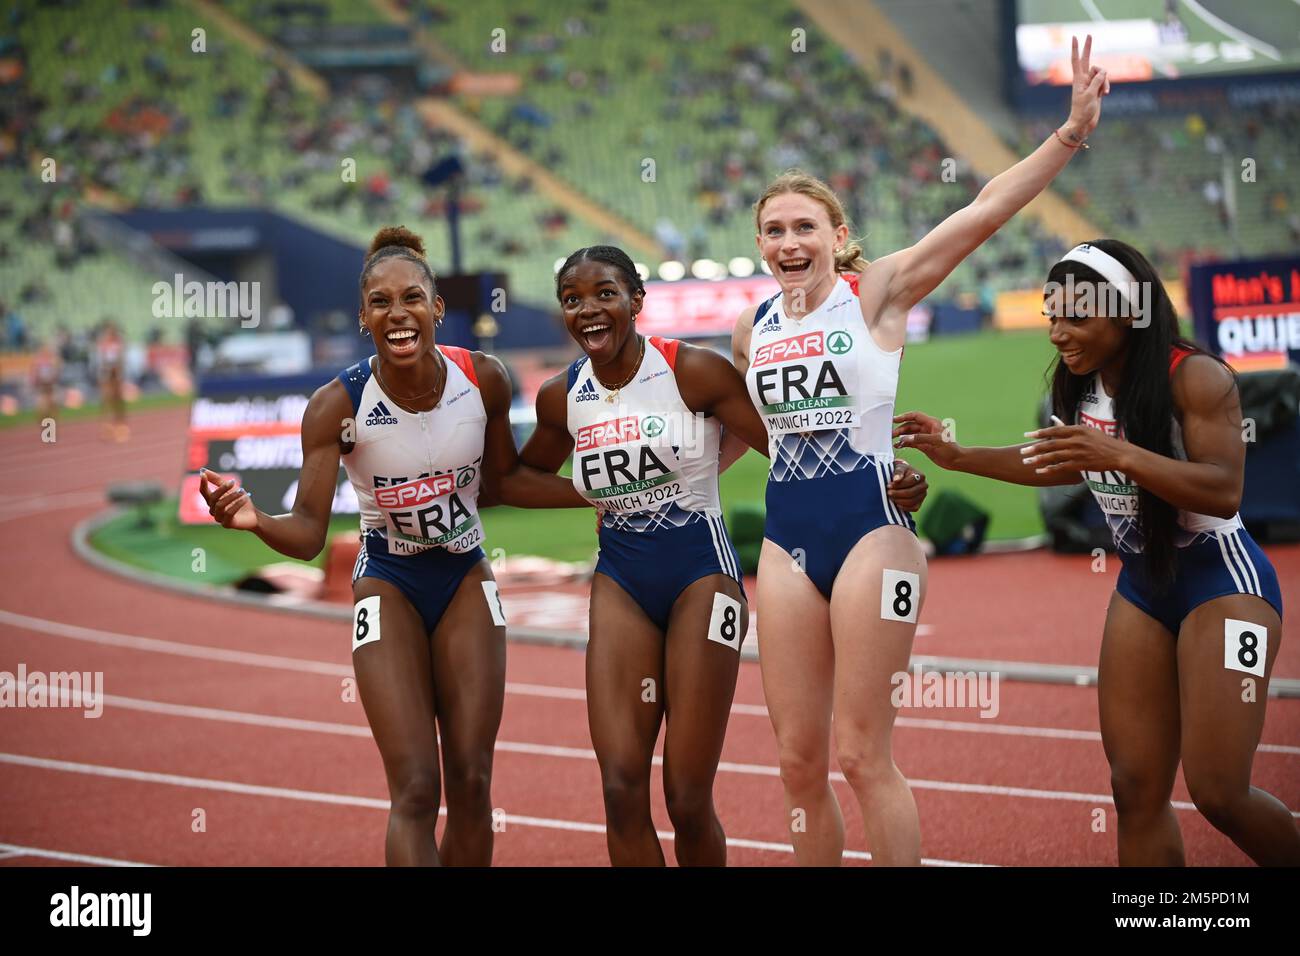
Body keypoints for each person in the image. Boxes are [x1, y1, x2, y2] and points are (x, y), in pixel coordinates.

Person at [728, 36, 1109, 865]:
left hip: (874, 535)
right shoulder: (749, 328)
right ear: (760, 243)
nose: (789, 243)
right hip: (786, 547)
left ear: (837, 234)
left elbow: (984, 211)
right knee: (796, 763)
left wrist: (1070, 131)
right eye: (773, 231)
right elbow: (748, 431)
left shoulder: (880, 293)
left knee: (862, 755)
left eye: (804, 227)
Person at [519, 244, 933, 865]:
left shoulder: (696, 372)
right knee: (619, 788)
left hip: (700, 578)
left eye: (605, 293)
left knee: (686, 795)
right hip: (620, 579)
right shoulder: (561, 396)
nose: (588, 310)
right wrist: (591, 490)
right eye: (572, 300)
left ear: (636, 301)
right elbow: (515, 481)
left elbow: (790, 441)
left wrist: (885, 474)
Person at [895, 238, 1298, 866]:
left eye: (1075, 317)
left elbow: (1223, 491)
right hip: (1143, 587)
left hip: (1223, 582)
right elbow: (1061, 465)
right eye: (1052, 315)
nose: (1057, 333)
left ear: (1127, 312)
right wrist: (958, 455)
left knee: (1220, 792)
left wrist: (1117, 454)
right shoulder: (1082, 385)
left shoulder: (1194, 375)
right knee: (1134, 789)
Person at [199, 226, 589, 866]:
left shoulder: (485, 380)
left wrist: (602, 493)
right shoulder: (335, 406)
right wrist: (253, 520)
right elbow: (307, 535)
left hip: (466, 575)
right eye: (381, 303)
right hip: (388, 583)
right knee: (414, 787)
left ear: (436, 308)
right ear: (364, 318)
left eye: (412, 299)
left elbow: (502, 483)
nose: (397, 314)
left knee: (471, 784)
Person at [96, 320, 128, 441]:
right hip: (107, 374)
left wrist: (118, 370)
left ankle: (120, 425)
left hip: (116, 374)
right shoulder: (104, 343)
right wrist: (105, 371)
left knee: (118, 400)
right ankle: (106, 426)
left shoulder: (119, 342)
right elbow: (102, 360)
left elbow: (121, 358)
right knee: (106, 399)